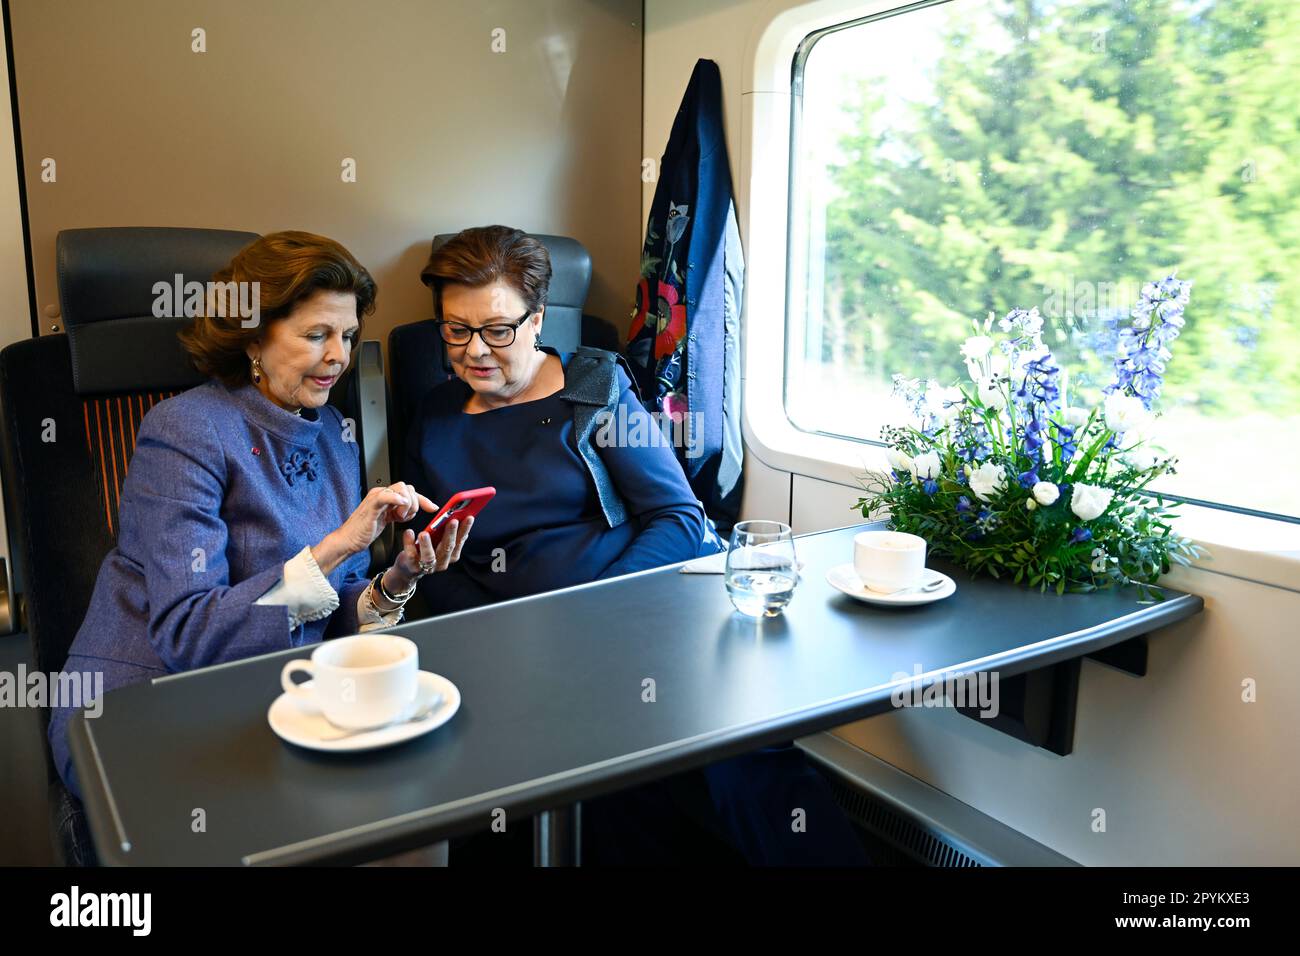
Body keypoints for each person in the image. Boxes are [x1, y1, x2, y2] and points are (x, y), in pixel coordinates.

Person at [405, 225, 868, 866]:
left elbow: (678, 518)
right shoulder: (433, 416)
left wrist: (592, 612)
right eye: (456, 330)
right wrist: (494, 626)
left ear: (537, 320)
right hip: (513, 646)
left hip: (629, 617)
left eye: (498, 329)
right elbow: (431, 558)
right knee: (604, 788)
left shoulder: (597, 393)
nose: (476, 351)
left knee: (731, 756)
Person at [47, 231, 471, 863]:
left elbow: (325, 603)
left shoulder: (332, 432)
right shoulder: (186, 430)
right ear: (252, 338)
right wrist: (332, 549)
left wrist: (393, 584)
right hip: (145, 707)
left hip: (278, 694)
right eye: (315, 335)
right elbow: (188, 634)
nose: (339, 357)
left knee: (420, 813)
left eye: (348, 335)